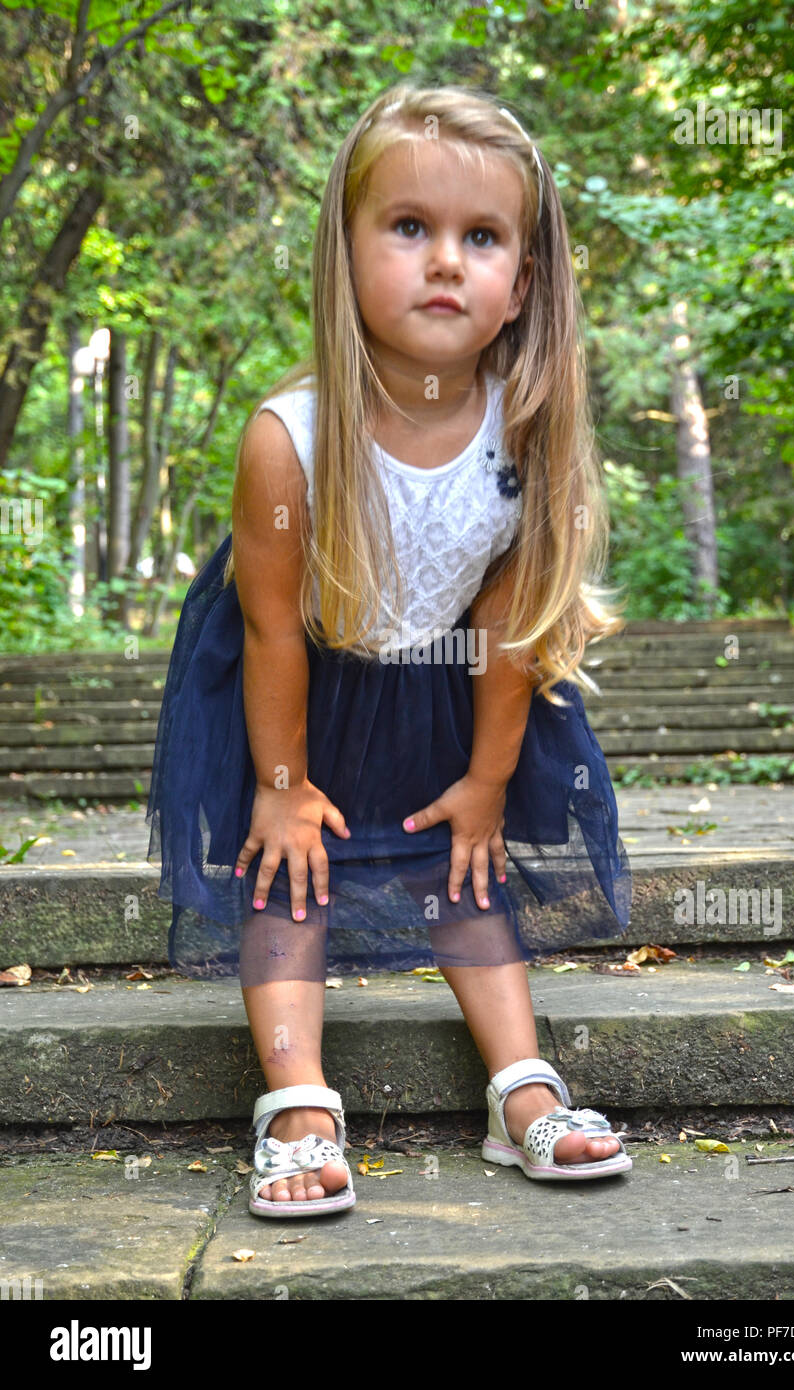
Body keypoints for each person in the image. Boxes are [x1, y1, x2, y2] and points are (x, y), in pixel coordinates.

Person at [146, 82, 634, 1219]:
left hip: (452, 696)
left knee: (467, 878)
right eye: (408, 228)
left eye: (481, 237)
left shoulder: (523, 430)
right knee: (287, 875)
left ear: (522, 281)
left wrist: (486, 779)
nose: (444, 263)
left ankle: (522, 1090)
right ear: (346, 248)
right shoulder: (290, 440)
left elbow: (514, 627)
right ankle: (300, 1098)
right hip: (298, 691)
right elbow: (268, 626)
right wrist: (276, 785)